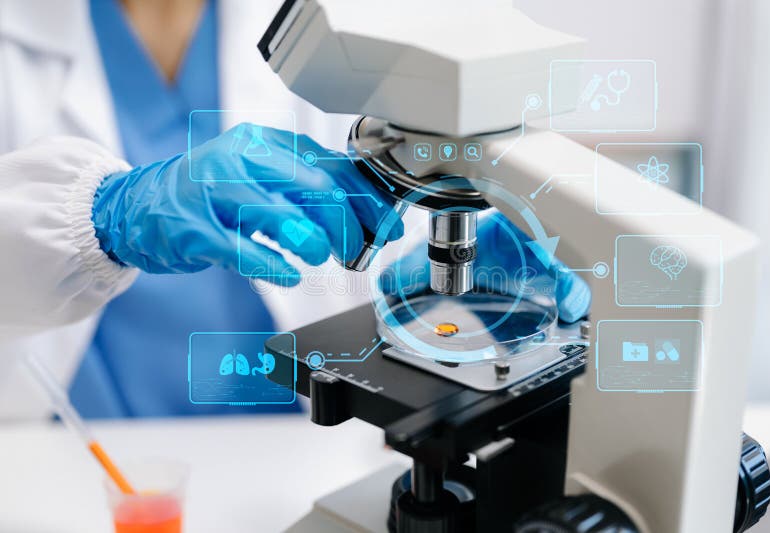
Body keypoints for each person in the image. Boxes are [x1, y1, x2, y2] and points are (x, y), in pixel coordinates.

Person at [0, 0, 590, 419]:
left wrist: (437, 289)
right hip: (81, 452)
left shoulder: (332, 33)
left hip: (300, 442)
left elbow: (363, 256)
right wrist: (107, 217)